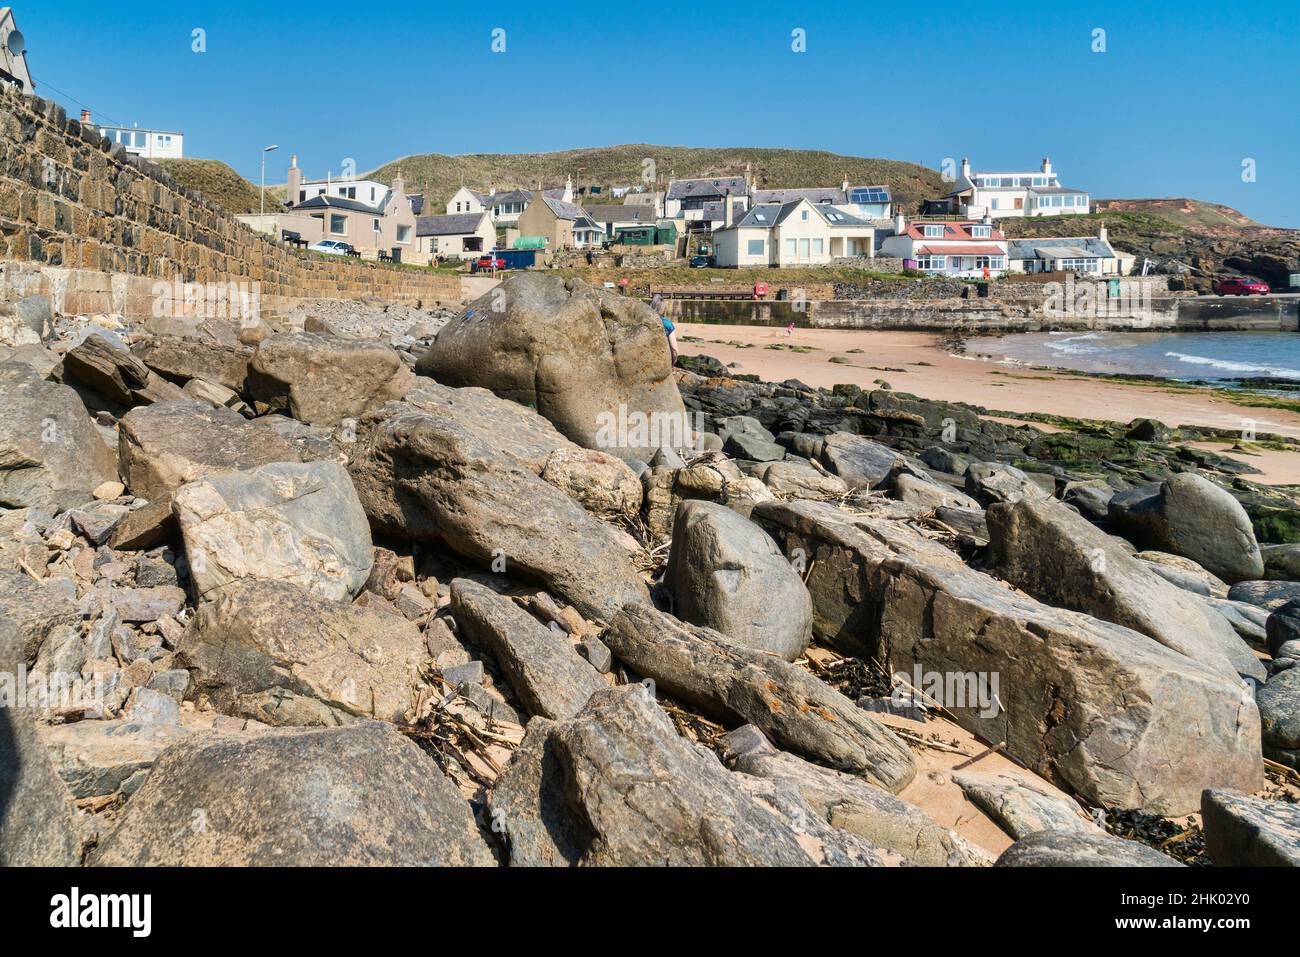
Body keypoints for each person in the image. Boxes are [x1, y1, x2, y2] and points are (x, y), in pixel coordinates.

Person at [651, 294, 679, 365]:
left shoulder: (645, 320)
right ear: (663, 308)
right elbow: (674, 349)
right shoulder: (667, 324)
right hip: (663, 360)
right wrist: (674, 362)